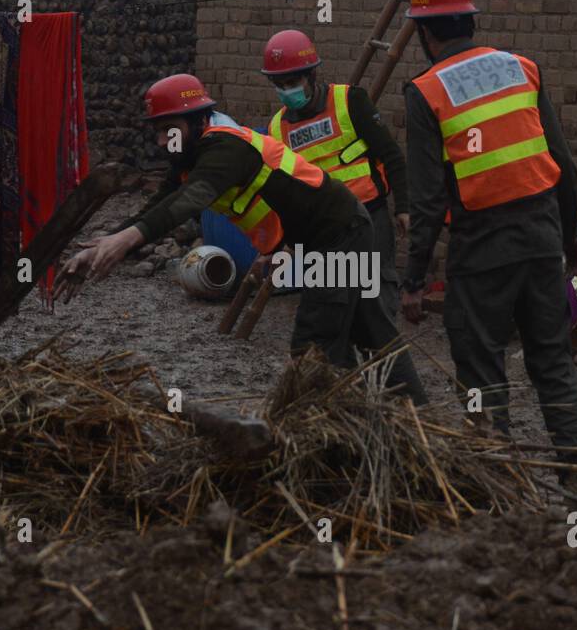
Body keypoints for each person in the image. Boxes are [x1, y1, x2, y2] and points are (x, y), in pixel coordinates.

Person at [54, 73, 428, 403]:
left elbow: (187, 202)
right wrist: (109, 241)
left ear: (198, 121)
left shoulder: (225, 148)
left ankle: (322, 426)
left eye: (169, 129)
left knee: (314, 340)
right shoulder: (189, 159)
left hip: (339, 234)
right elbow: (159, 204)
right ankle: (409, 414)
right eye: (157, 131)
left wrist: (123, 243)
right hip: (331, 233)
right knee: (369, 328)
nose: (162, 140)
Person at [397, 0, 577, 492]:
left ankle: (499, 486)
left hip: (482, 249)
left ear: (423, 32)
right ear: (471, 18)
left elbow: (428, 199)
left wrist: (413, 279)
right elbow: (564, 167)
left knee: (481, 368)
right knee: (552, 361)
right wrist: (569, 236)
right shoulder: (521, 67)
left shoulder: (424, 91)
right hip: (543, 237)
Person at [262, 29, 409, 322]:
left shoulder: (350, 101)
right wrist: (277, 245)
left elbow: (391, 153)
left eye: (293, 82)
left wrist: (404, 207)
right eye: (280, 85)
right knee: (330, 303)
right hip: (322, 230)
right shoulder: (277, 128)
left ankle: (383, 361)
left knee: (375, 296)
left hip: (368, 217)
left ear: (312, 75)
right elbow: (284, 193)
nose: (286, 90)